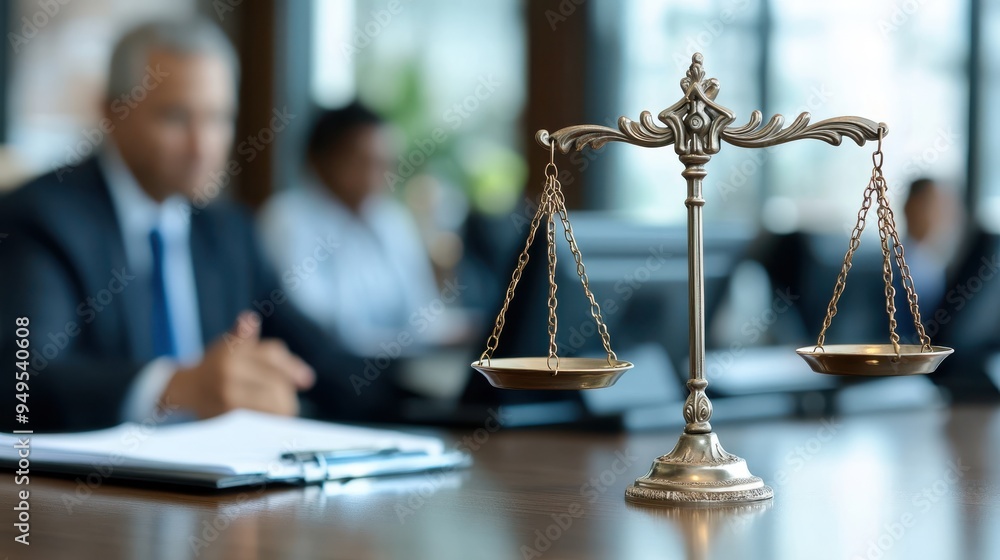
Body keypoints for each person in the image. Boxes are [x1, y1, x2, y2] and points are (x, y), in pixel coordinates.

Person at [0, 19, 397, 432]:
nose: (201, 146)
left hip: (217, 491)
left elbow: (321, 360)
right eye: (175, 117)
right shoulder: (40, 219)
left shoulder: (229, 232)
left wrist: (451, 391)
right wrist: (174, 388)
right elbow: (22, 381)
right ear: (110, 112)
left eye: (217, 118)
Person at [257, 103, 440, 357]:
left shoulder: (391, 220)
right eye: (362, 162)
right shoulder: (287, 218)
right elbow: (316, 324)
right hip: (326, 378)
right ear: (321, 159)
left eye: (384, 164)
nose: (376, 177)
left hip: (403, 369)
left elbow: (424, 314)